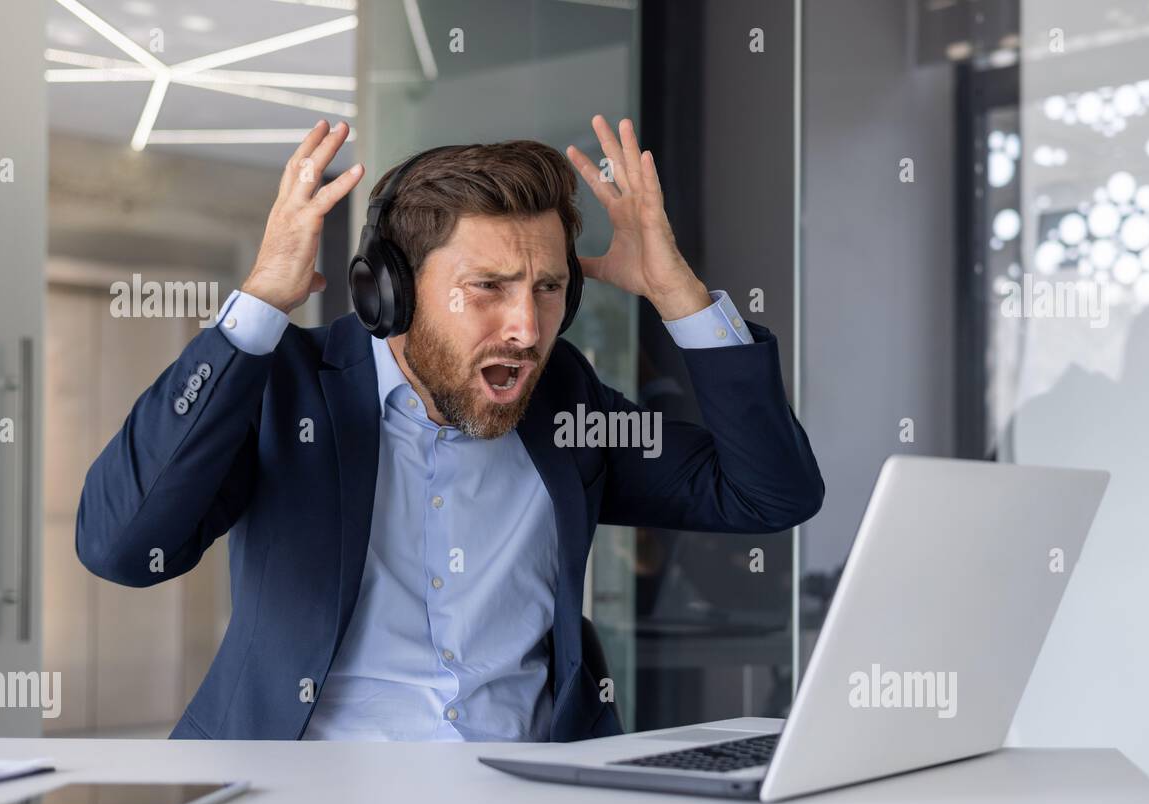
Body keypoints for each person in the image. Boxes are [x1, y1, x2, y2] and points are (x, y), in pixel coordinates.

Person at [76, 115, 825, 742]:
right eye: (487, 289)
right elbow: (120, 545)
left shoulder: (565, 402)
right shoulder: (288, 388)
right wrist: (259, 304)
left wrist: (680, 296)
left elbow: (768, 495)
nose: (528, 328)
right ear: (387, 293)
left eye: (549, 288)